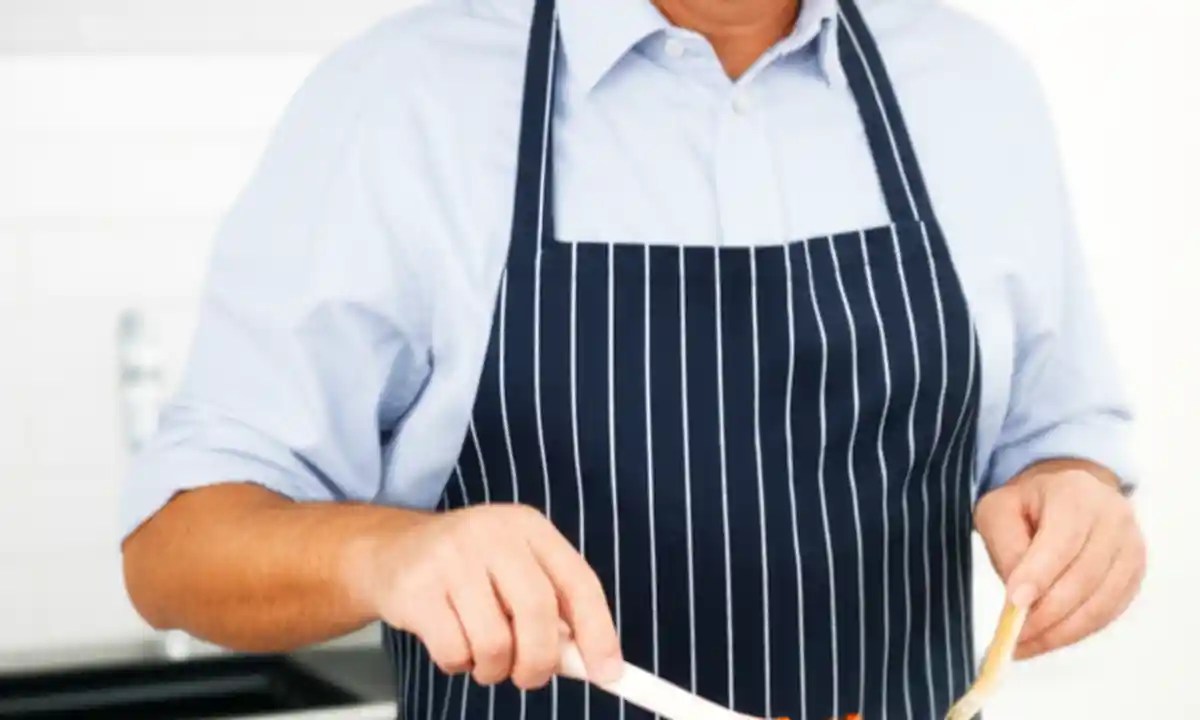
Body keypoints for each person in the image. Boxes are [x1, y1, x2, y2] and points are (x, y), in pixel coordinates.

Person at [119, 0, 1146, 718]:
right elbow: (175, 553)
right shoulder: (404, 102)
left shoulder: (972, 86)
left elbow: (1055, 444)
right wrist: (385, 555)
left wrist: (1072, 493)